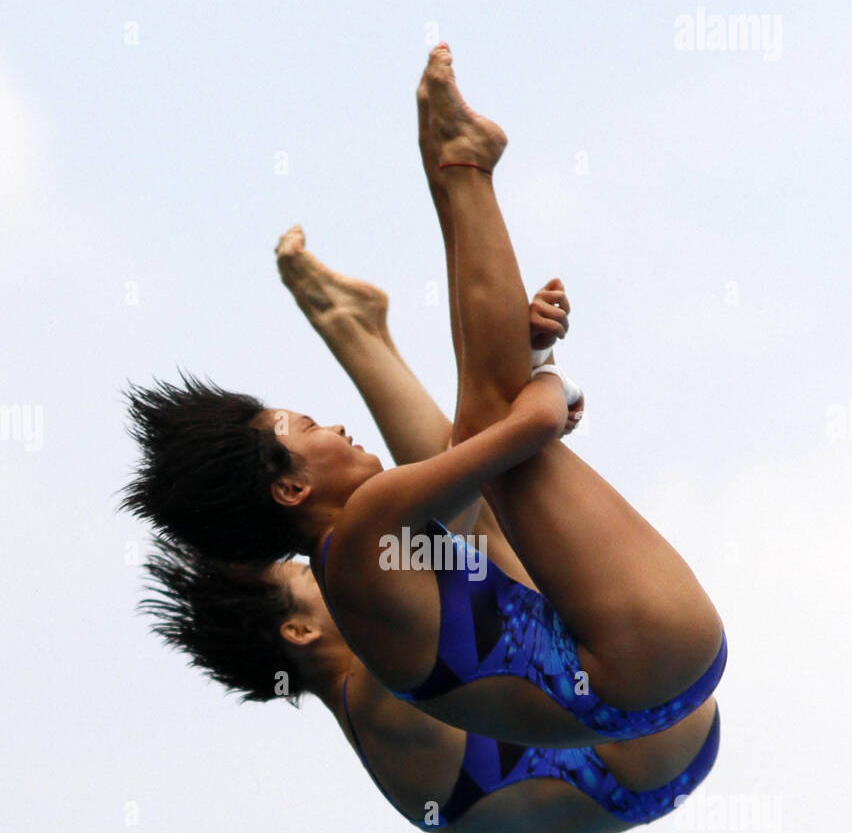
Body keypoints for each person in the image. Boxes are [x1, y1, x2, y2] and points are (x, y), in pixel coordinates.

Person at [124, 44, 725, 757]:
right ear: (290, 485)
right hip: (642, 658)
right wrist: (542, 375)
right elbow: (530, 421)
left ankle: (456, 170)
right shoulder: (366, 531)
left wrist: (536, 368)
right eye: (311, 426)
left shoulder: (361, 563)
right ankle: (461, 168)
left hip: (653, 681)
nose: (337, 425)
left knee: (481, 441)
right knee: (493, 426)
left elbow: (515, 430)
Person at [141, 262, 720, 833]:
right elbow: (457, 497)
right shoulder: (377, 704)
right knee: (465, 515)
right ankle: (357, 332)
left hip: (630, 723)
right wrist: (529, 378)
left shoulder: (381, 620)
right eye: (302, 578)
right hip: (641, 763)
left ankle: (358, 330)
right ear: (299, 630)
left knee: (456, 515)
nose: (317, 572)